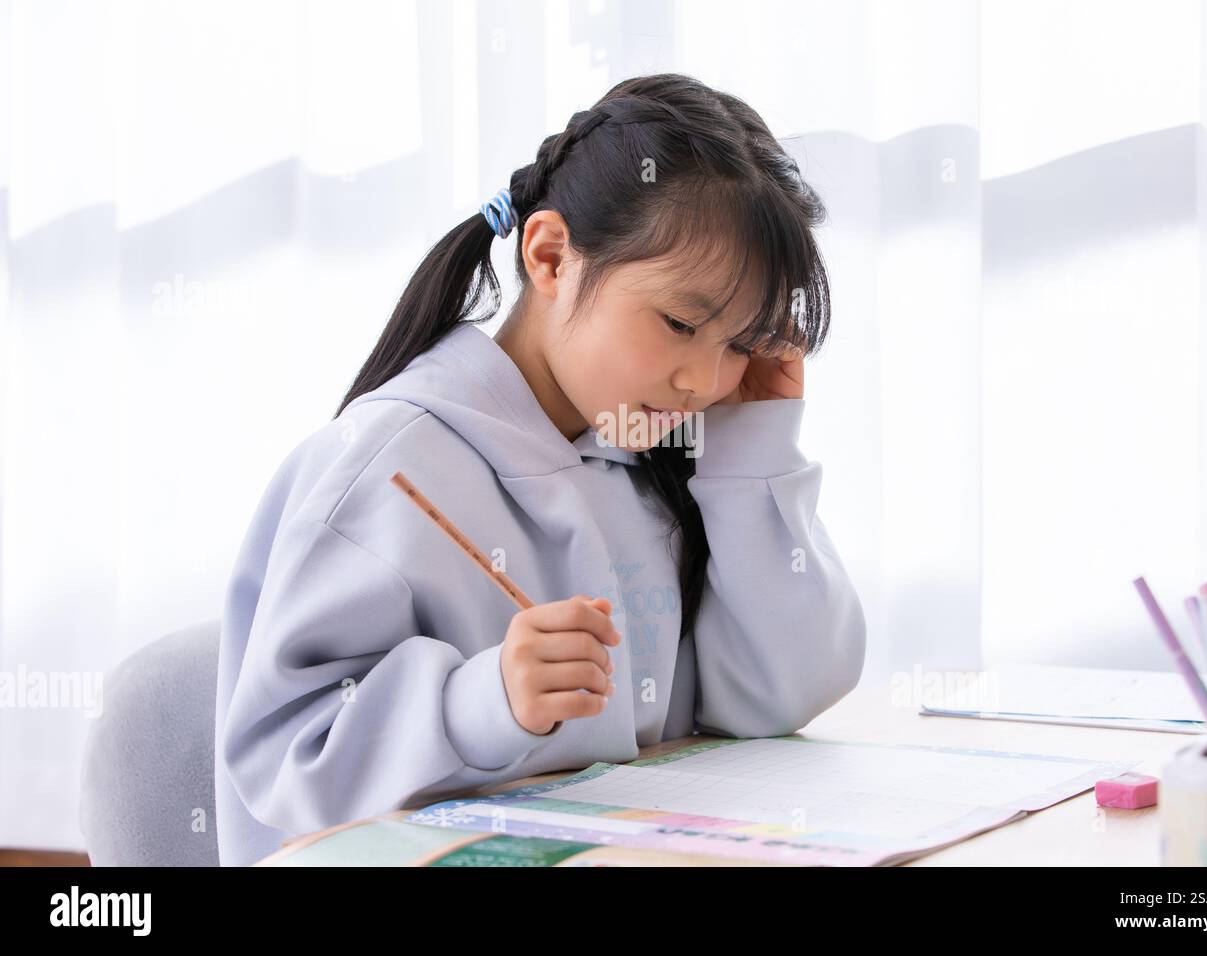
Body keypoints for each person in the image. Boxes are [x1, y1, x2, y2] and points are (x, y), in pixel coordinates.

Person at [214, 72, 866, 866]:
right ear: (551, 256)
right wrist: (479, 703)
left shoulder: (652, 459)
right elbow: (283, 756)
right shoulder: (385, 470)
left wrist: (753, 450)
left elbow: (781, 697)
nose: (704, 380)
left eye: (736, 343)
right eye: (679, 322)